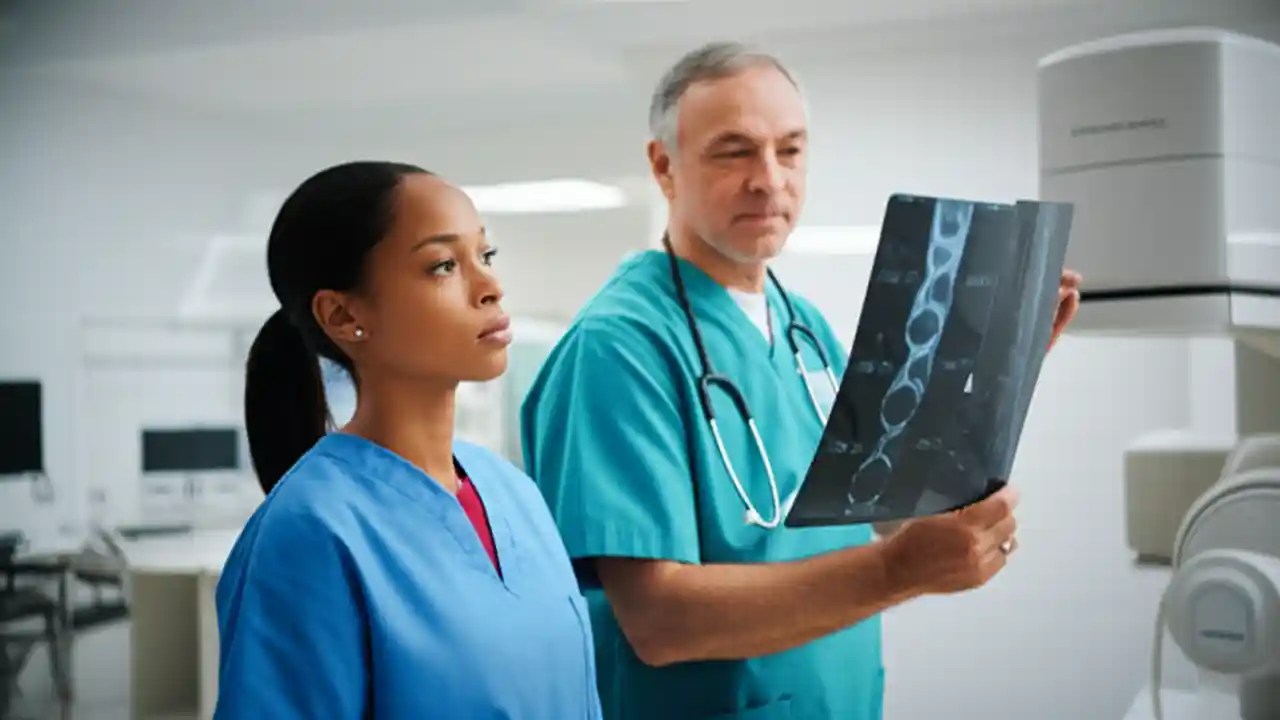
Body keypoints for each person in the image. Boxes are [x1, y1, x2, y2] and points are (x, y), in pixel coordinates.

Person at [520, 42, 1083, 719]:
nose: (769, 179)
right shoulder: (618, 347)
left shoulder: (802, 325)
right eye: (734, 151)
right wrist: (896, 573)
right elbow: (659, 620)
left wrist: (1003, 377)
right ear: (663, 166)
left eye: (789, 151)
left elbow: (890, 507)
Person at [214, 161, 603, 719]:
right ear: (344, 315)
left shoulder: (514, 493)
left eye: (485, 256)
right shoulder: (310, 531)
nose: (491, 287)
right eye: (444, 265)